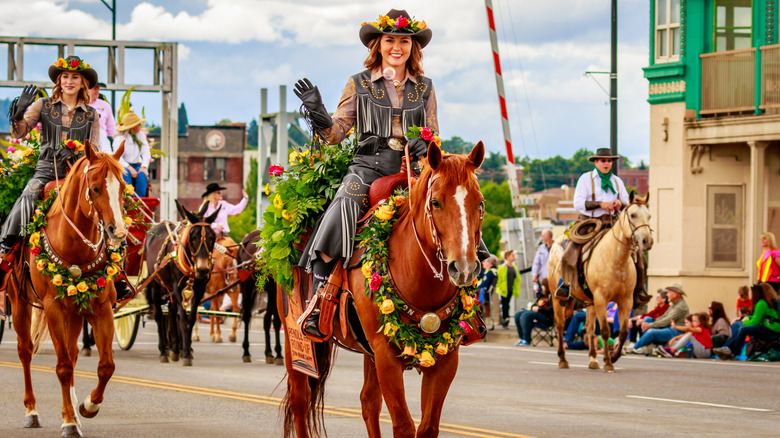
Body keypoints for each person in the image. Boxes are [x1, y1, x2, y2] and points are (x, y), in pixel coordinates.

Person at [294, 9, 489, 339]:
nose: (397, 47)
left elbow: (434, 136)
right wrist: (318, 113)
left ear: (414, 48)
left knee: (456, 204)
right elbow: (336, 135)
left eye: (404, 41)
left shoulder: (425, 87)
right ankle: (321, 295)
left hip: (415, 167)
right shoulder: (358, 83)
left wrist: (423, 141)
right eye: (390, 41)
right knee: (345, 201)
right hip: (368, 167)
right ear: (378, 44)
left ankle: (471, 287)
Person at [0, 56, 99, 311]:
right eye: (64, 77)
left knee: (103, 202)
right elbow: (18, 133)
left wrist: (79, 152)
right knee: (30, 192)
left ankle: (113, 263)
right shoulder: (43, 105)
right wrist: (18, 114)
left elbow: (95, 149)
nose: (69, 81)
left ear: (83, 83)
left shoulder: (91, 114)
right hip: (46, 169)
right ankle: (7, 245)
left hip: (78, 173)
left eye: (74, 77)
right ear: (59, 81)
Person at [557, 148, 650, 306]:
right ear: (596, 162)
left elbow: (627, 204)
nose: (606, 164)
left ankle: (639, 289)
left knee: (637, 252)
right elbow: (578, 203)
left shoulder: (617, 181)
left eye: (608, 161)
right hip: (589, 222)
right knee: (571, 248)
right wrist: (600, 204)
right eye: (603, 161)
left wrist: (620, 203)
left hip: (613, 222)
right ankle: (567, 285)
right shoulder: (586, 179)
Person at [713, 283, 780, 360]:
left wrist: (744, 322)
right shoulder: (762, 303)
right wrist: (744, 318)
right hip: (769, 326)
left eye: (750, 292)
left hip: (771, 328)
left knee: (743, 328)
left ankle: (733, 352)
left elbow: (755, 322)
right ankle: (727, 348)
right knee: (738, 325)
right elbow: (756, 317)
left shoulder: (761, 303)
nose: (749, 294)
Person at [629, 283, 689, 355]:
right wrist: (649, 324)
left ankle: (635, 347)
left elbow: (667, 321)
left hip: (675, 331)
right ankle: (644, 346)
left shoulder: (680, 307)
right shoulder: (674, 304)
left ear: (676, 295)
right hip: (669, 327)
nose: (667, 295)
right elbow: (663, 317)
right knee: (647, 319)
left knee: (651, 331)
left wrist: (650, 325)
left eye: (669, 293)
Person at [113, 111, 151, 197]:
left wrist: (144, 167)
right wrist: (129, 167)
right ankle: (128, 199)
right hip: (123, 166)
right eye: (138, 124)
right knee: (125, 173)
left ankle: (140, 201)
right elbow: (118, 157)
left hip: (137, 165)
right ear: (132, 127)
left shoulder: (140, 135)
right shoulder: (119, 138)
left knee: (142, 175)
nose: (140, 126)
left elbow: (146, 152)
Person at [497, 250, 531, 329]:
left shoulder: (514, 267)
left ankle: (506, 320)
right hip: (503, 289)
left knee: (507, 304)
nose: (514, 257)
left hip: (510, 289)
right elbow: (498, 278)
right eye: (512, 255)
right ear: (507, 257)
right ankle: (505, 319)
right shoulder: (502, 267)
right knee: (504, 304)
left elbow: (518, 274)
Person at [89, 81, 116, 154]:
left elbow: (111, 127)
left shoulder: (105, 105)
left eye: (98, 88)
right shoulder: (80, 103)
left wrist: (112, 141)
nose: (97, 91)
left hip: (102, 141)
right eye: (94, 88)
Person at [476, 255, 499, 330]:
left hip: (484, 295)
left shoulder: (490, 272)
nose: (482, 263)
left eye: (485, 261)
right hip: (483, 293)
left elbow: (483, 285)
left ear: (490, 264)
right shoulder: (488, 271)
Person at [531, 229, 553, 297]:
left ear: (548, 236)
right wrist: (534, 274)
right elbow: (536, 262)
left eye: (542, 236)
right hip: (543, 279)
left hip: (553, 278)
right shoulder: (541, 248)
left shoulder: (556, 247)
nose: (541, 238)